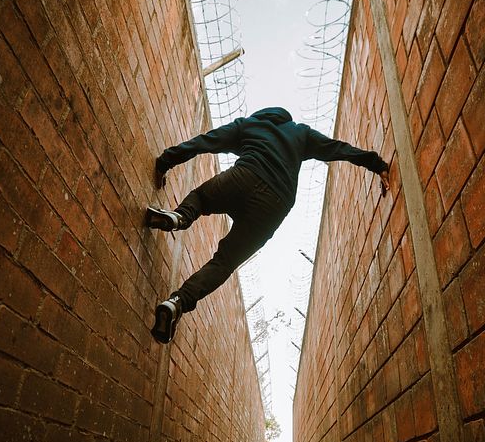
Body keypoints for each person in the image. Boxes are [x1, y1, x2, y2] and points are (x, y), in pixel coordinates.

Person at [146, 106, 390, 343]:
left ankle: (180, 217)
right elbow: (336, 148)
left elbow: (206, 141)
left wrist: (166, 160)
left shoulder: (249, 125)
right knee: (224, 262)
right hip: (274, 204)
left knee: (200, 198)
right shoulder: (300, 133)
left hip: (243, 176)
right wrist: (376, 164)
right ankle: (177, 303)